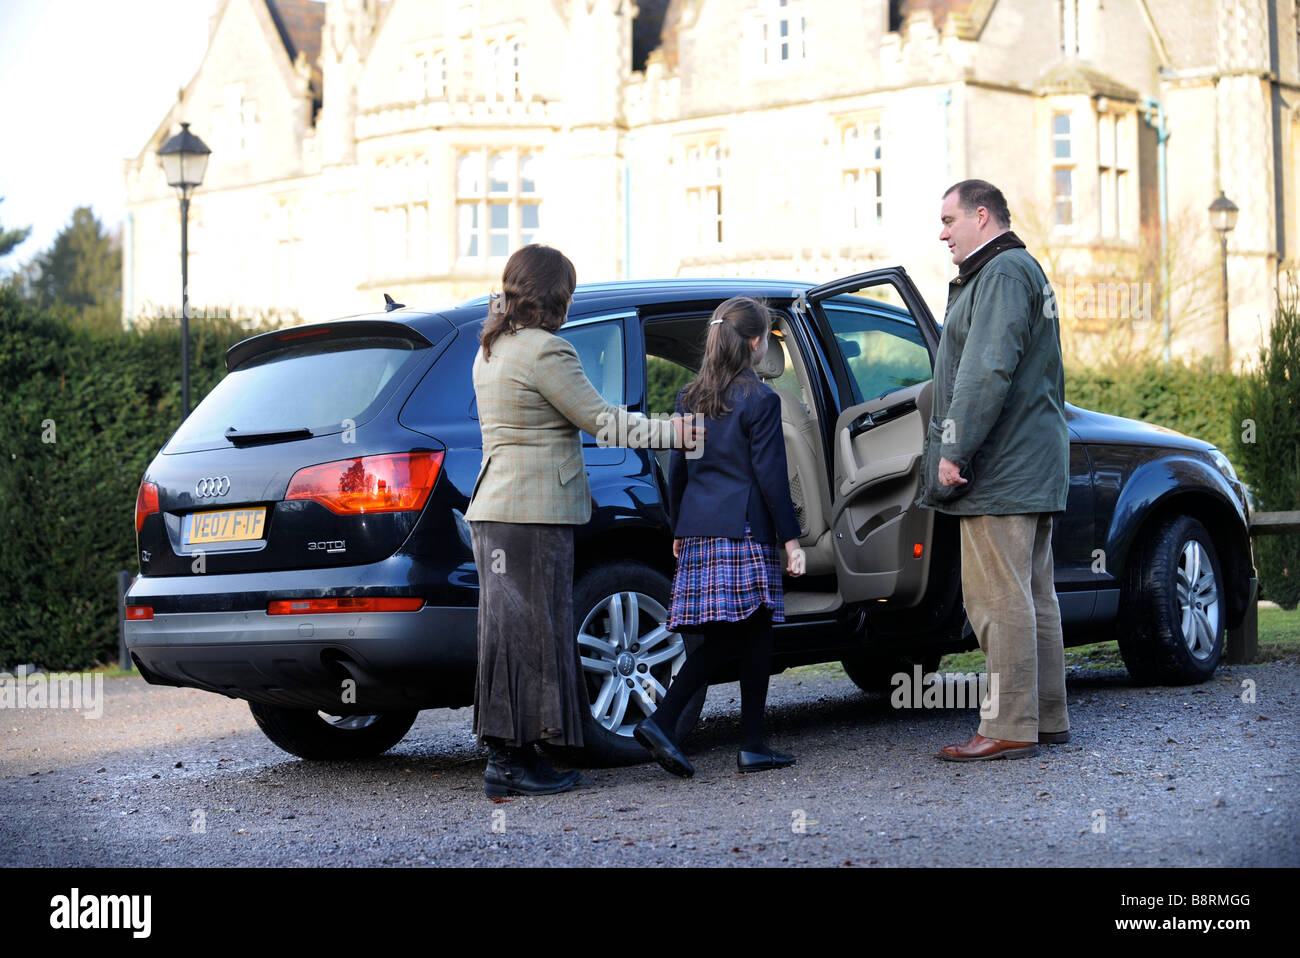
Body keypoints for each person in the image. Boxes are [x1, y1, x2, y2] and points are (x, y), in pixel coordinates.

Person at [466, 244, 702, 798]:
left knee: (507, 638)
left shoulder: (491, 347)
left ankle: (514, 755)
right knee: (534, 637)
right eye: (569, 292)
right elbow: (603, 421)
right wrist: (680, 431)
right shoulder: (547, 352)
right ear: (558, 296)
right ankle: (512, 763)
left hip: (497, 513)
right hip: (532, 514)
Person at [917, 179, 1070, 762]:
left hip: (1001, 470)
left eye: (950, 220)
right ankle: (1044, 717)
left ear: (983, 216)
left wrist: (954, 449)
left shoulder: (1002, 275)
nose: (942, 232)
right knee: (1032, 595)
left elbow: (985, 372)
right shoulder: (1017, 271)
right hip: (1028, 465)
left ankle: (1008, 725)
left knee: (997, 599)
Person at [633, 296, 805, 777]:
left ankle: (752, 745)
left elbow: (678, 471)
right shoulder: (762, 400)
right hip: (743, 531)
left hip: (700, 529)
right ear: (754, 344)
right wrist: (791, 541)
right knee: (737, 634)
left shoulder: (689, 400)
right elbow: (771, 477)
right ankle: (665, 722)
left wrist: (677, 528)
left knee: (748, 634)